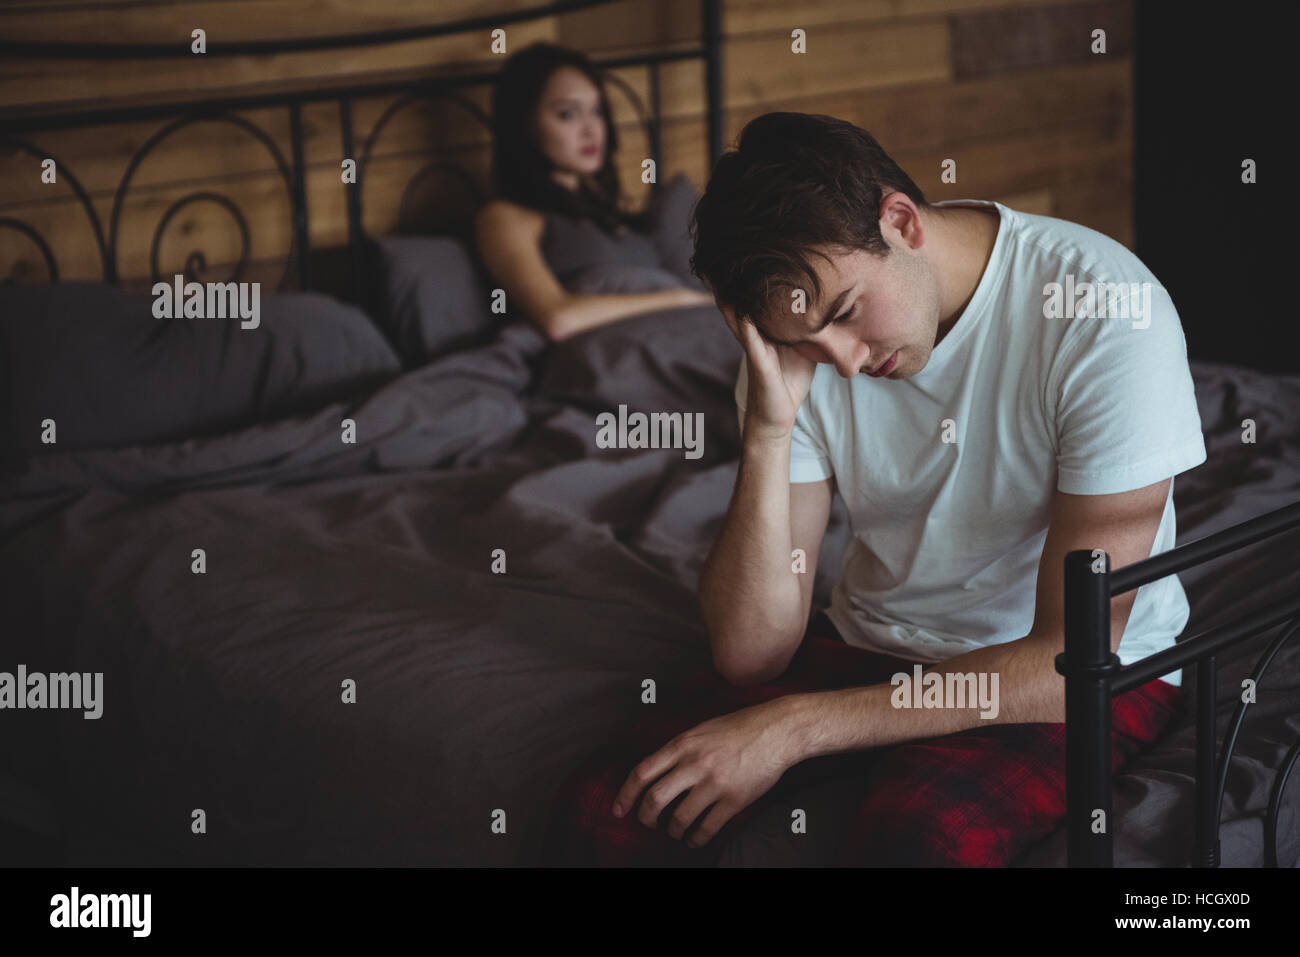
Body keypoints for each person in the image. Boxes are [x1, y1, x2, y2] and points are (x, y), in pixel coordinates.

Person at [544, 112, 1202, 866]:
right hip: (872, 644)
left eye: (848, 313)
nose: (844, 364)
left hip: (1063, 677)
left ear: (900, 221)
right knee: (609, 806)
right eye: (805, 342)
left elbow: (1067, 661)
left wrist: (798, 727)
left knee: (915, 846)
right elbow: (750, 654)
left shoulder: (1103, 310)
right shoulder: (803, 347)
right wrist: (766, 430)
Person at [474, 42, 712, 342]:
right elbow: (557, 319)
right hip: (615, 349)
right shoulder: (506, 217)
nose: (591, 129)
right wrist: (680, 300)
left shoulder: (610, 215)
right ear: (525, 125)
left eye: (597, 111)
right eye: (567, 114)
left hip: (678, 333)